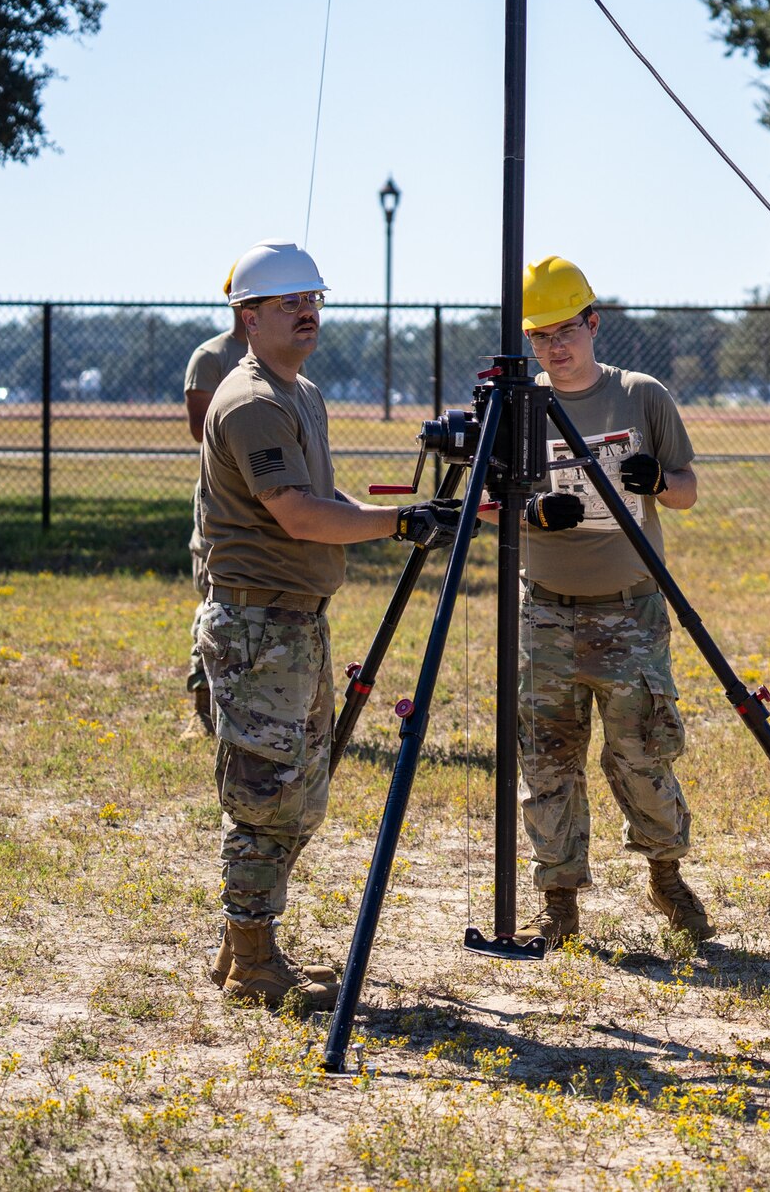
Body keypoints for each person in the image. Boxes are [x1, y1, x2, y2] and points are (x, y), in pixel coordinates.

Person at [197, 239, 461, 1011]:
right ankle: (249, 960)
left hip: (293, 623)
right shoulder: (251, 402)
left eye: (314, 298)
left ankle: (247, 942)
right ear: (248, 316)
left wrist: (412, 516)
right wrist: (395, 524)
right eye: (289, 302)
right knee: (265, 792)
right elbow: (298, 513)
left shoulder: (299, 391)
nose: (308, 312)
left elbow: (327, 494)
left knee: (300, 790)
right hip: (256, 629)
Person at [510, 254, 711, 945]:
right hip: (545, 611)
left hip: (630, 608)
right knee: (546, 759)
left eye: (566, 329)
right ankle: (558, 897)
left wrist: (657, 478)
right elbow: (484, 503)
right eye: (540, 335)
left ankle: (666, 873)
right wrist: (532, 514)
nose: (555, 346)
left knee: (643, 749)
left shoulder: (641, 395)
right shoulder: (521, 408)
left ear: (594, 324)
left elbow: (686, 490)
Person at [180, 278, 250, 738]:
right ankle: (202, 707)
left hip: (268, 510)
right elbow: (200, 431)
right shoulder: (211, 358)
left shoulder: (287, 362)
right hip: (224, 505)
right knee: (215, 603)